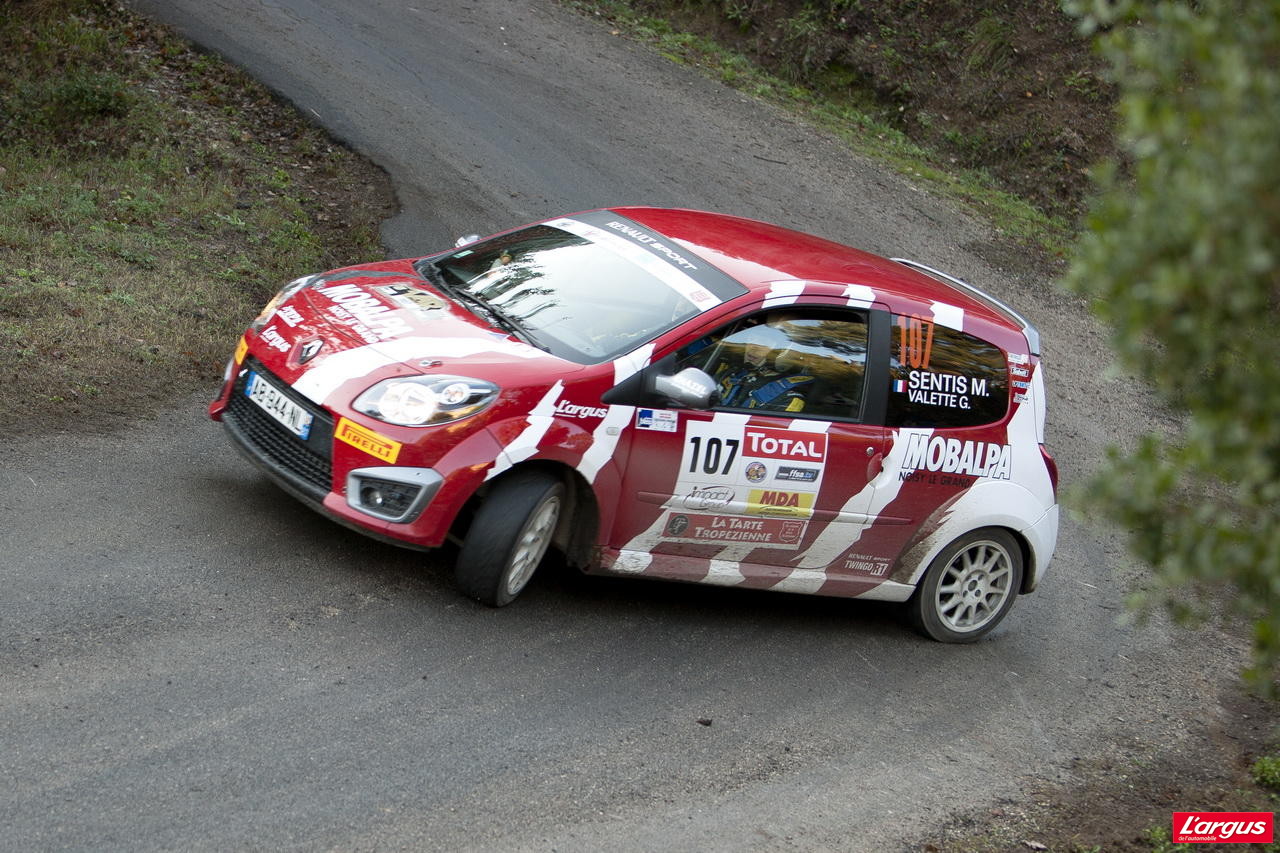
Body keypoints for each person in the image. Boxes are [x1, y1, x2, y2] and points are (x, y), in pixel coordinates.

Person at [708, 318, 814, 413]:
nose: (754, 347)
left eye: (764, 343)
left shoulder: (787, 396)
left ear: (780, 352)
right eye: (753, 339)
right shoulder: (731, 373)